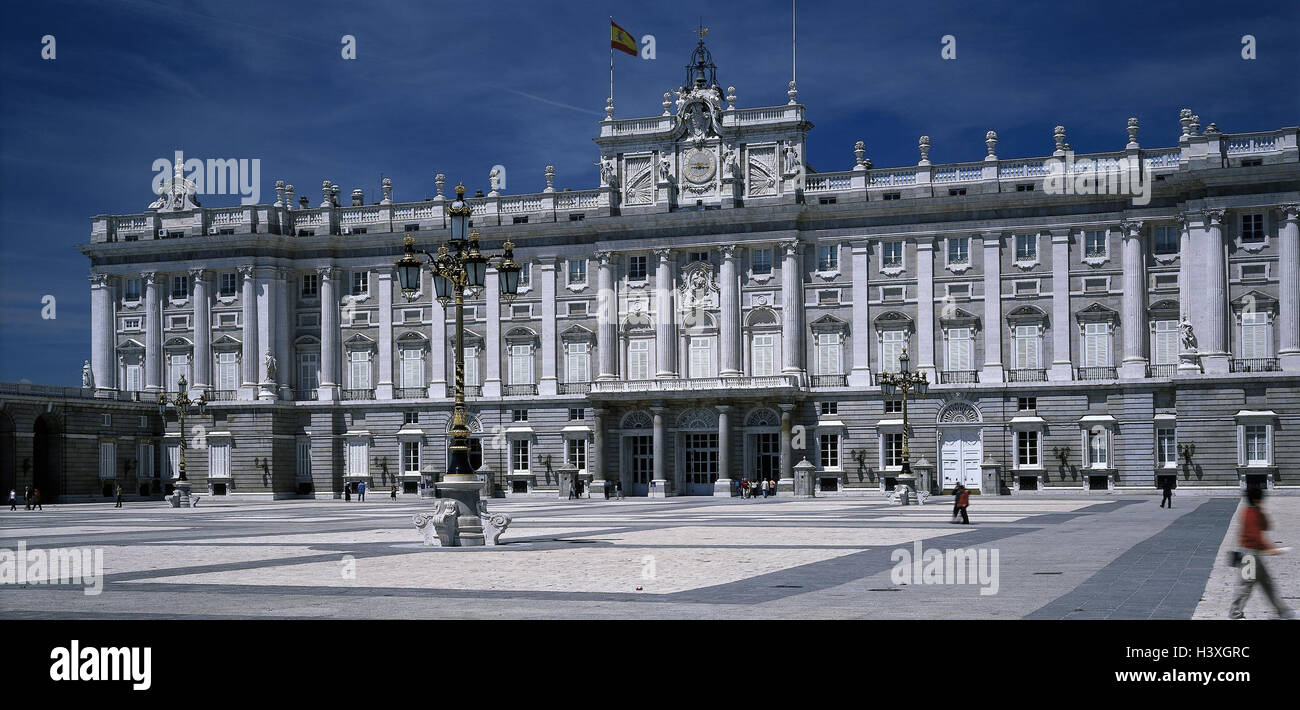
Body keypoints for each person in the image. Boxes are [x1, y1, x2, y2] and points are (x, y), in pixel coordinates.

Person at [1229, 487, 1294, 619]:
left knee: (1267, 584)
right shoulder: (1251, 514)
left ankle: (1282, 611)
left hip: (1253, 555)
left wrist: (1261, 512)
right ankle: (1235, 613)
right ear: (1258, 498)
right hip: (1249, 555)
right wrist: (1271, 548)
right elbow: (1255, 536)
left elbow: (1265, 525)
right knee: (1245, 586)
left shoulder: (1251, 511)